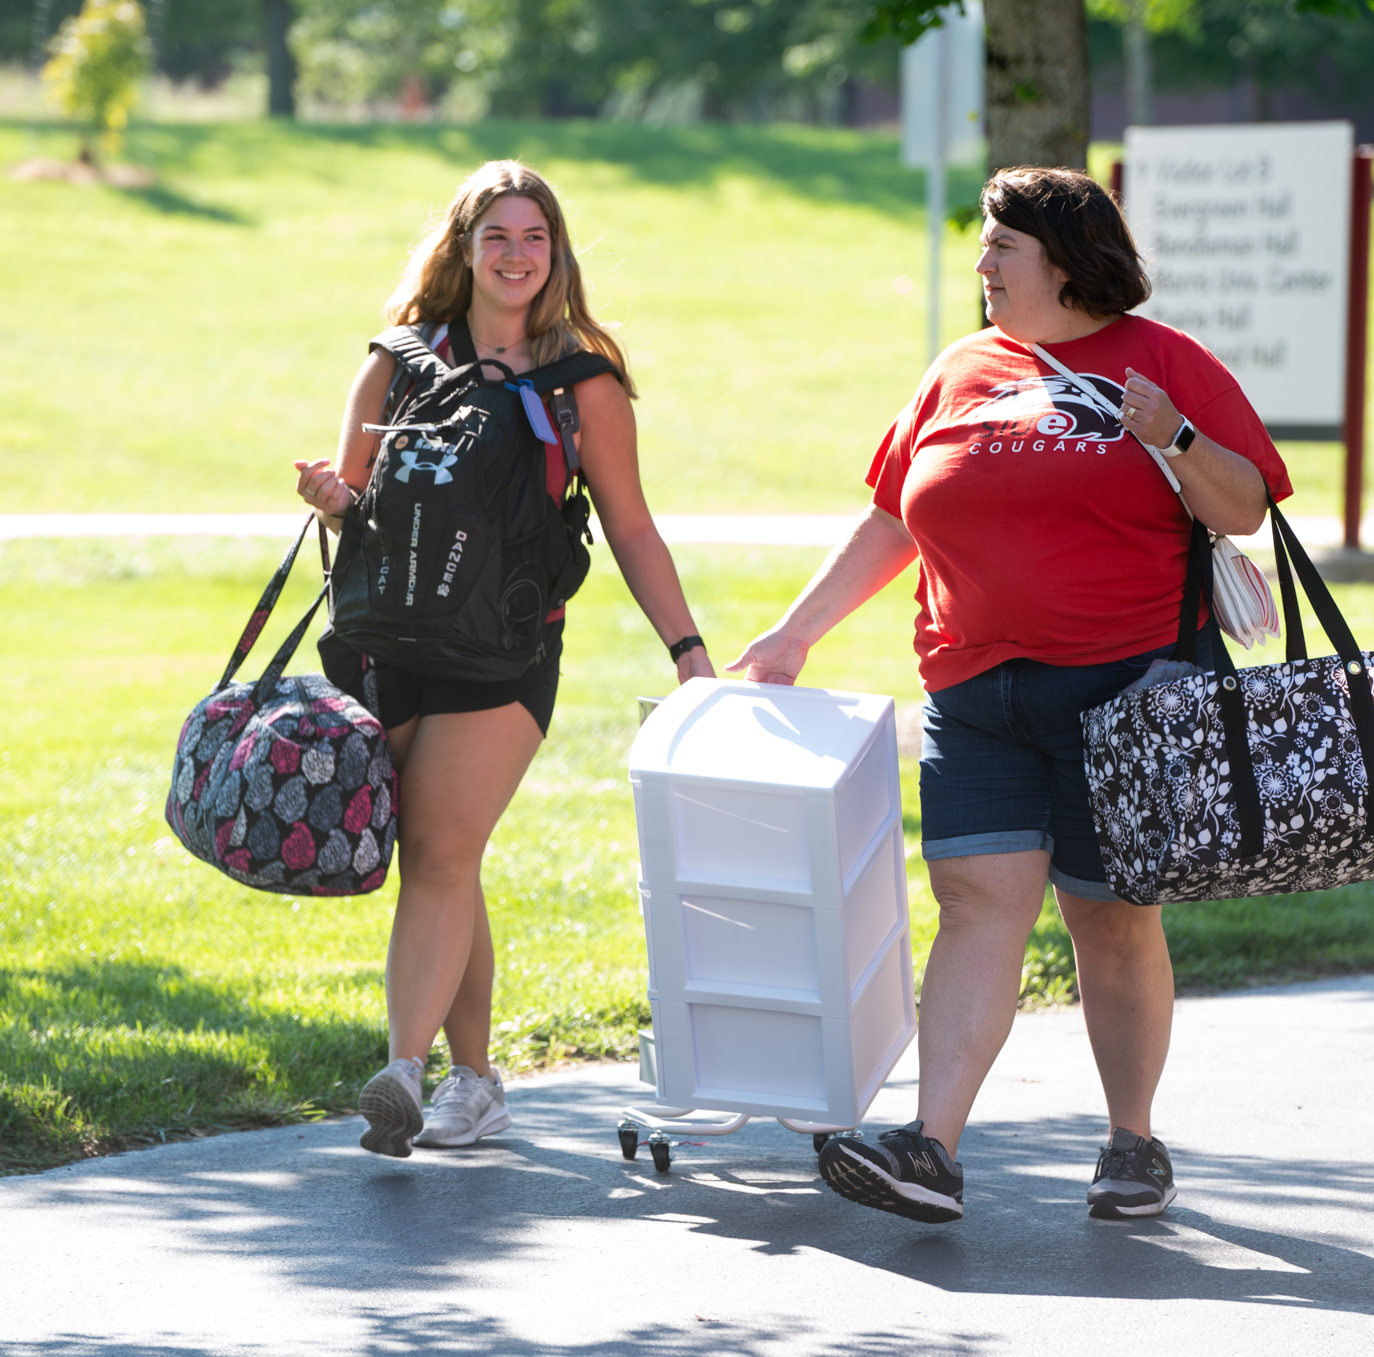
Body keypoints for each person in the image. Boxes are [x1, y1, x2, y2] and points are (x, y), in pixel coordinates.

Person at [729, 166, 1292, 1223]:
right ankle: (930, 1149)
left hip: (1127, 690)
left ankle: (1132, 1141)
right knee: (976, 907)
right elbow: (895, 517)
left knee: (1110, 917)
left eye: (1002, 248)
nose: (981, 266)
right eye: (985, 247)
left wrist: (1170, 434)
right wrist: (795, 631)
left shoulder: (1165, 362)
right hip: (976, 693)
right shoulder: (960, 368)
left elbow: (1248, 502)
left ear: (1066, 260)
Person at [293, 160, 715, 1158]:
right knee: (445, 855)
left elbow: (631, 527)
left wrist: (691, 654)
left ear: (556, 255)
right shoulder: (394, 361)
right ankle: (475, 1083)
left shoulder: (580, 382)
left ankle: (401, 1070)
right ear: (464, 249)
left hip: (505, 653)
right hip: (383, 645)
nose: (516, 255)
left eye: (535, 238)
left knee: (438, 854)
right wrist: (328, 495)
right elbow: (358, 499)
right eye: (498, 237)